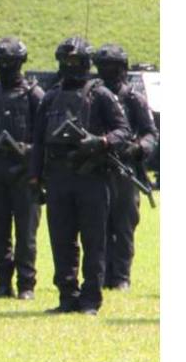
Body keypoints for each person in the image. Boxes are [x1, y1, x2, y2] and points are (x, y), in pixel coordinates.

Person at [30, 37, 128, 314]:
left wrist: (100, 141)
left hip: (92, 178)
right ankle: (67, 296)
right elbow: (38, 142)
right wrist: (35, 179)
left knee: (93, 241)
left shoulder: (101, 95)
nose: (70, 67)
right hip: (59, 178)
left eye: (75, 61)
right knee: (62, 241)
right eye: (66, 62)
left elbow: (123, 131)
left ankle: (90, 298)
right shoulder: (50, 97)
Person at [0, 38, 45, 300]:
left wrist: (27, 151)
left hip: (25, 170)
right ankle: (3, 282)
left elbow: (44, 136)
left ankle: (26, 284)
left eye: (10, 62)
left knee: (26, 233)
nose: (5, 67)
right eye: (0, 62)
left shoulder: (34, 95)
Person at [94, 43, 158, 291]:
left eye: (113, 67)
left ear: (123, 69)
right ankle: (99, 274)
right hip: (97, 168)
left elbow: (151, 134)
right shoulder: (92, 97)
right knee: (96, 225)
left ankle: (121, 276)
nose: (108, 72)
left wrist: (138, 148)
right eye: (103, 67)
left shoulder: (133, 99)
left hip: (125, 171)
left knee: (123, 226)